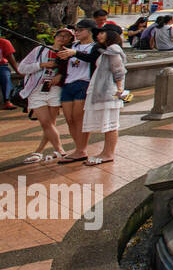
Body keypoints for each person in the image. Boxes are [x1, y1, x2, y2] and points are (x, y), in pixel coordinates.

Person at [17, 28, 72, 158]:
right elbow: (22, 68)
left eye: (66, 36)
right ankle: (59, 149)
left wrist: (60, 75)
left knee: (50, 125)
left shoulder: (68, 53)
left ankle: (39, 150)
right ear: (55, 37)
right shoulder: (40, 50)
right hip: (37, 90)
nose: (62, 38)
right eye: (60, 35)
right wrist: (42, 65)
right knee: (45, 123)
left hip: (55, 90)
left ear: (70, 39)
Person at [80, 26, 126, 165]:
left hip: (109, 91)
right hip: (103, 90)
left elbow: (119, 71)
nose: (99, 36)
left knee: (111, 123)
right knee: (108, 123)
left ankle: (108, 153)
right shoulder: (107, 50)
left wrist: (119, 89)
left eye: (102, 33)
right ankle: (106, 152)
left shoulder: (113, 50)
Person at [54, 19, 98, 162]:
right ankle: (78, 147)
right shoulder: (72, 46)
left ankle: (81, 150)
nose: (77, 33)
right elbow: (61, 63)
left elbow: (92, 59)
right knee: (69, 119)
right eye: (76, 30)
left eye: (80, 30)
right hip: (68, 84)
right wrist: (62, 55)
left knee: (79, 118)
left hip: (84, 83)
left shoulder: (95, 47)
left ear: (89, 31)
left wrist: (74, 53)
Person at [0, 31, 19, 110]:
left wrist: (18, 71)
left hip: (1, 66)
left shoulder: (4, 42)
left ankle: (7, 101)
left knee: (5, 77)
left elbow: (10, 57)